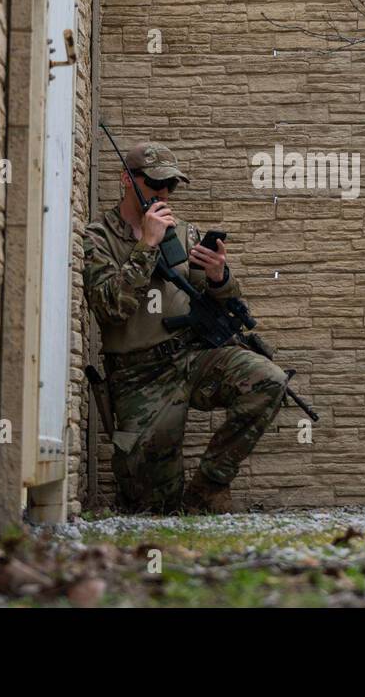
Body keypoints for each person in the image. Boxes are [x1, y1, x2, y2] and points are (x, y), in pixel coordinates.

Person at [82, 140, 289, 513]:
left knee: (267, 380)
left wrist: (218, 276)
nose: (163, 193)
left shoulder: (184, 234)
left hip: (190, 359)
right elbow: (110, 308)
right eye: (155, 184)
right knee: (149, 508)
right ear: (127, 180)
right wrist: (146, 244)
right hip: (138, 376)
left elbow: (219, 300)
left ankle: (208, 488)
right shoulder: (98, 237)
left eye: (171, 186)